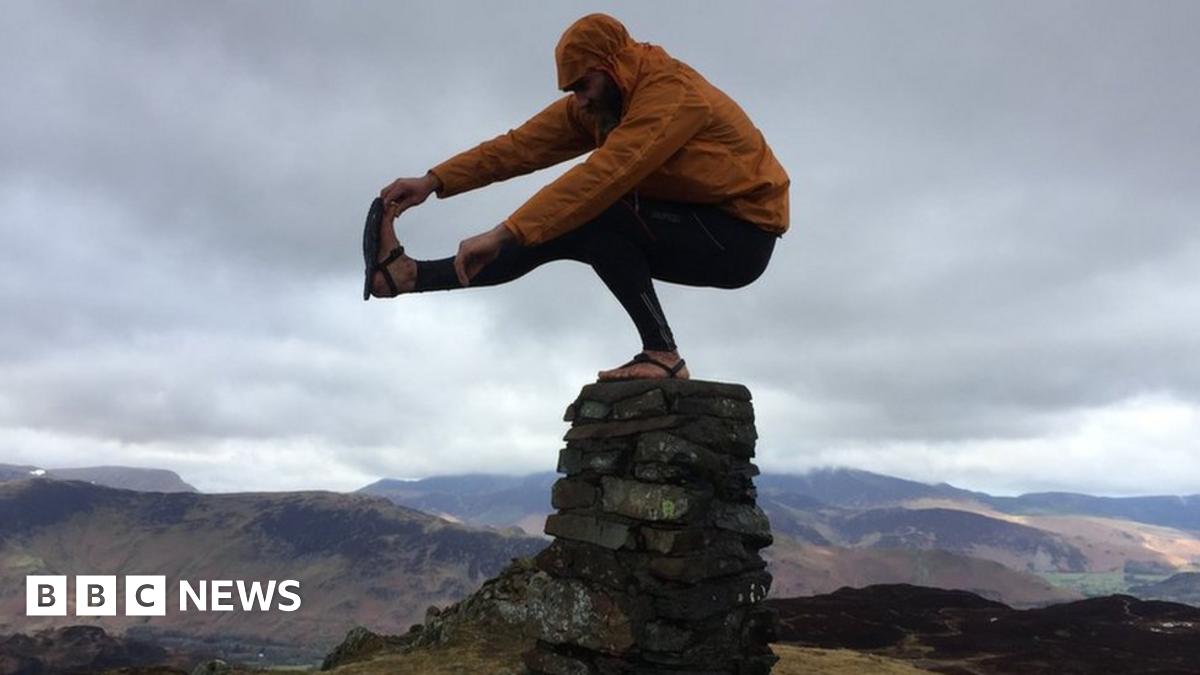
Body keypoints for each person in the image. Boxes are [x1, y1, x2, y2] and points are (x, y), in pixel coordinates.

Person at [367, 13, 789, 381]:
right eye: (571, 90)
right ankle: (407, 277)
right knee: (570, 228)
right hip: (693, 219)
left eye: (582, 86)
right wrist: (434, 179)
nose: (579, 100)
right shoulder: (601, 102)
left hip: (741, 236)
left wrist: (503, 232)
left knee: (592, 211)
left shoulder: (671, 94)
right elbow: (518, 148)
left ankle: (662, 354)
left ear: (611, 66)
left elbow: (605, 176)